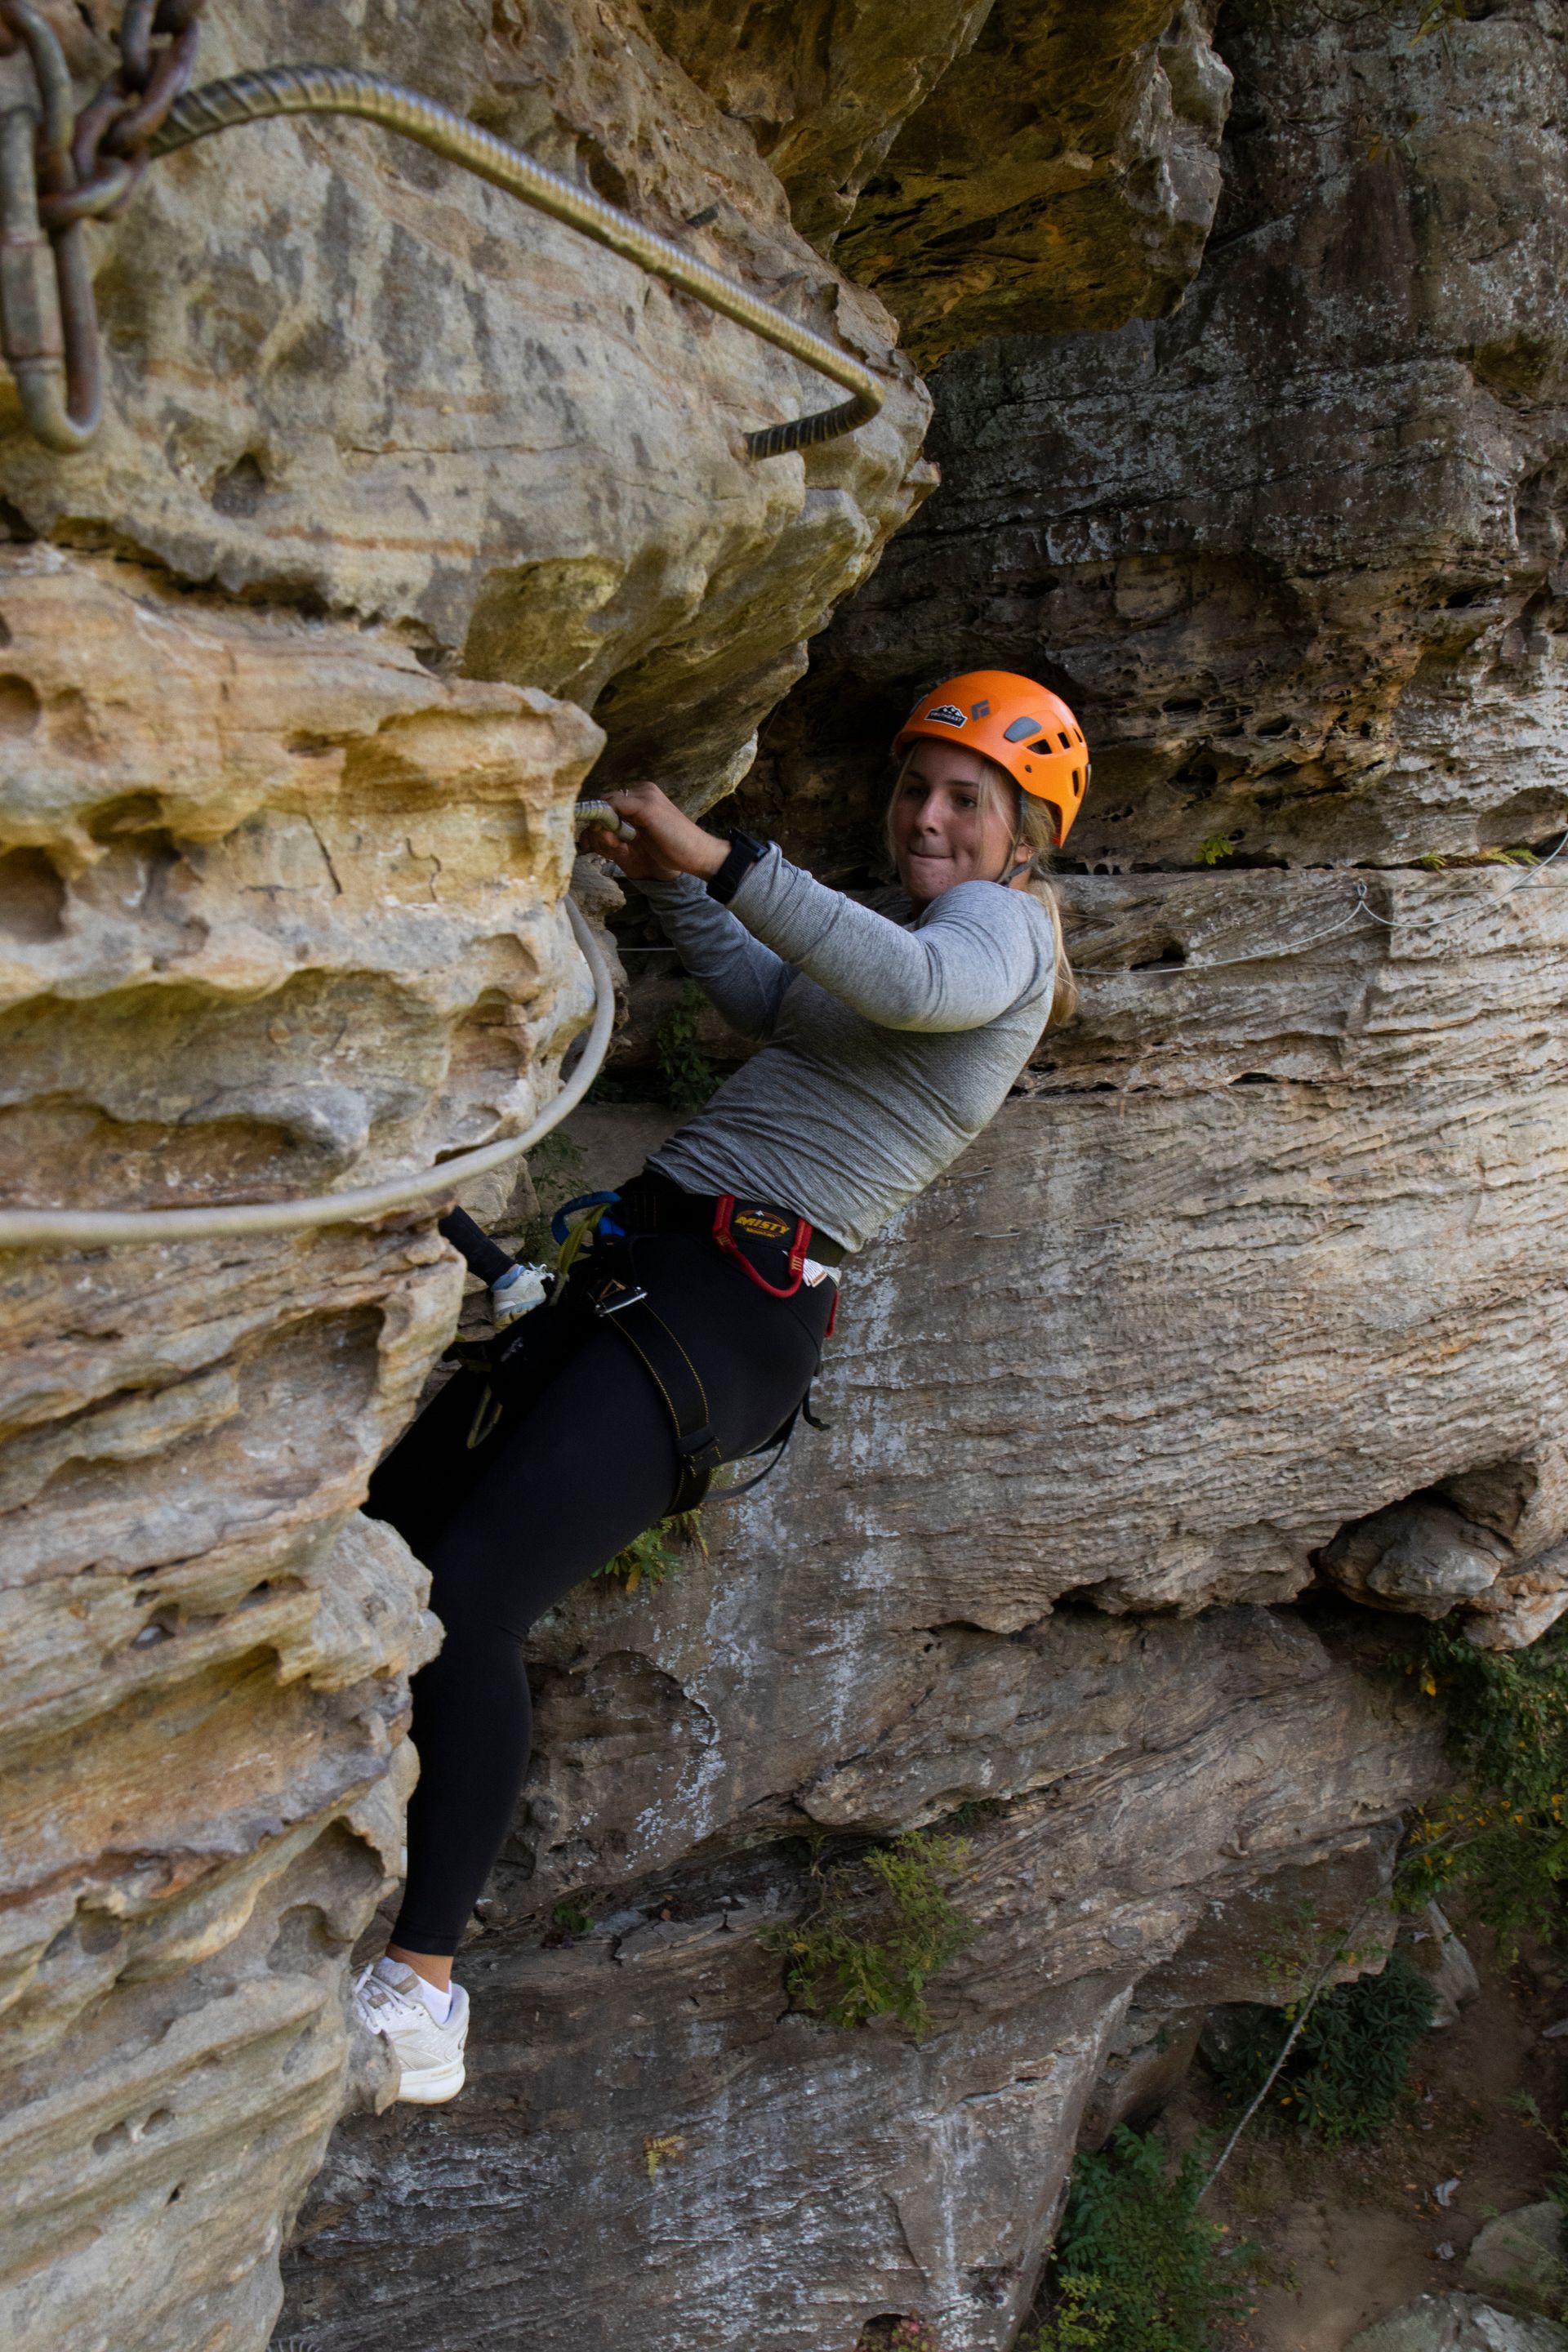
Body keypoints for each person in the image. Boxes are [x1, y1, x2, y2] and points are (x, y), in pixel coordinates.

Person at [354, 670, 1089, 2101]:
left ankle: (426, 1990)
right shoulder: (919, 938)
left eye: (967, 802)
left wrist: (721, 858)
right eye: (916, 789)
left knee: (474, 1596)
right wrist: (674, 888)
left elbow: (912, 983)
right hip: (664, 1276)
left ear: (1023, 836)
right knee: (397, 1528)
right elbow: (772, 997)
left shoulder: (995, 935)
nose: (928, 819)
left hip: (720, 1307)